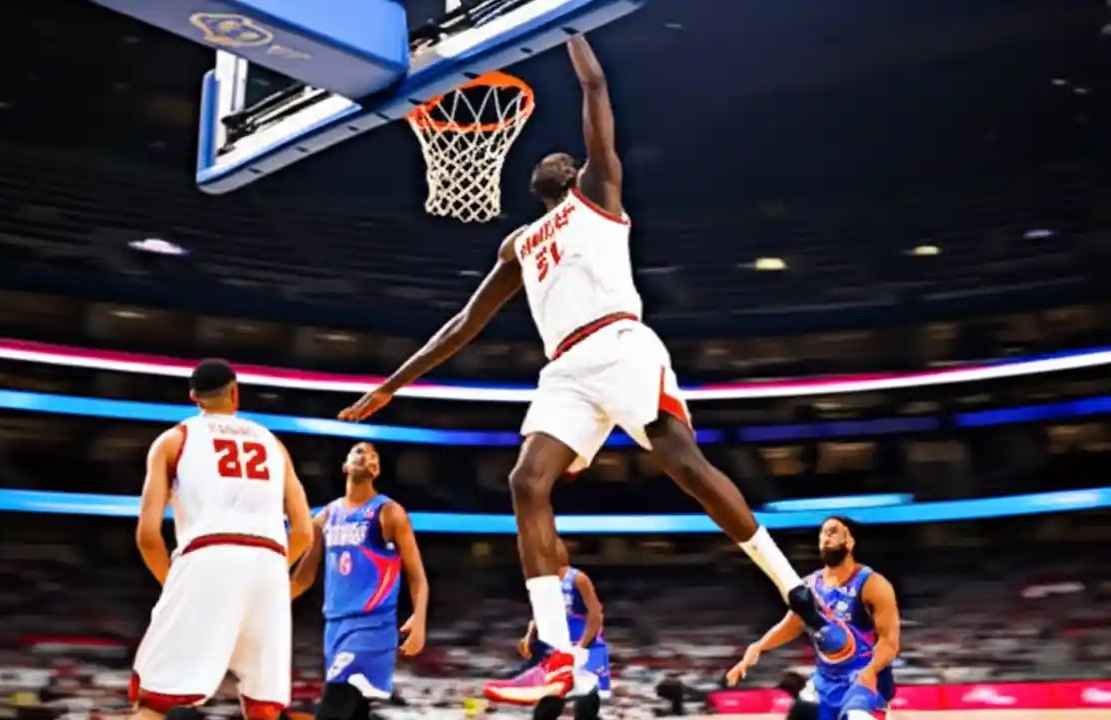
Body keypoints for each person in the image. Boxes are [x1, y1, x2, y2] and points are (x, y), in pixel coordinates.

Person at [338, 34, 814, 702]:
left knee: (687, 469)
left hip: (619, 343)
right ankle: (557, 656)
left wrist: (568, 25)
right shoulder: (519, 242)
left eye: (563, 153)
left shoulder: (600, 193)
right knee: (525, 482)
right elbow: (464, 324)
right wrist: (392, 383)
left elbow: (594, 89)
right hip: (564, 369)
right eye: (552, 156)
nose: (556, 155)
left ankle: (791, 585)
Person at [128, 359, 314, 720]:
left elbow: (148, 536)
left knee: (156, 702)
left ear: (194, 397)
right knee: (264, 707)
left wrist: (175, 585)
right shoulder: (273, 443)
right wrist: (274, 572)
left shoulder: (174, 440)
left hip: (208, 556)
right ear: (235, 392)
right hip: (272, 563)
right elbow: (304, 531)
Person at [291, 442, 430, 720]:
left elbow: (418, 577)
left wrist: (419, 620)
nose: (369, 457)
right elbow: (302, 579)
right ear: (344, 466)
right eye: (360, 452)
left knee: (335, 703)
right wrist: (261, 604)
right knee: (354, 710)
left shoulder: (389, 513)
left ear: (377, 471)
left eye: (375, 456)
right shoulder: (326, 517)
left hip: (372, 627)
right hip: (335, 626)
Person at [725, 517, 900, 720]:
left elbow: (890, 643)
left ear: (850, 541)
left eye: (833, 532)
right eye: (822, 534)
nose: (826, 537)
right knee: (800, 713)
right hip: (825, 681)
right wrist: (758, 647)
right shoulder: (810, 584)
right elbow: (792, 624)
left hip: (864, 679)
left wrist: (870, 672)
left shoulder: (873, 584)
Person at [485, 543, 606, 719]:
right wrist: (528, 636)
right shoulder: (544, 584)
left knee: (586, 701)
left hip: (581, 647)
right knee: (551, 701)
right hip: (557, 649)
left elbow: (595, 615)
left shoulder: (578, 579)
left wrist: (583, 645)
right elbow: (539, 613)